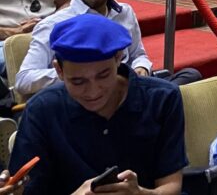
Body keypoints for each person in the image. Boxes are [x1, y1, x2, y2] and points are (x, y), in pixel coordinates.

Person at [9, 14, 186, 195]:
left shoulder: (162, 99)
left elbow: (171, 186)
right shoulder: (42, 110)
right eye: (78, 82)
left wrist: (140, 193)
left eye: (103, 76)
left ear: (119, 58)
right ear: (59, 70)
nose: (93, 92)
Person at [15, 0, 201, 98]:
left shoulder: (124, 12)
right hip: (90, 95)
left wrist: (141, 68)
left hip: (131, 86)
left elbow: (138, 54)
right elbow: (24, 80)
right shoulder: (55, 24)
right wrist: (78, 76)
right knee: (167, 95)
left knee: (190, 76)